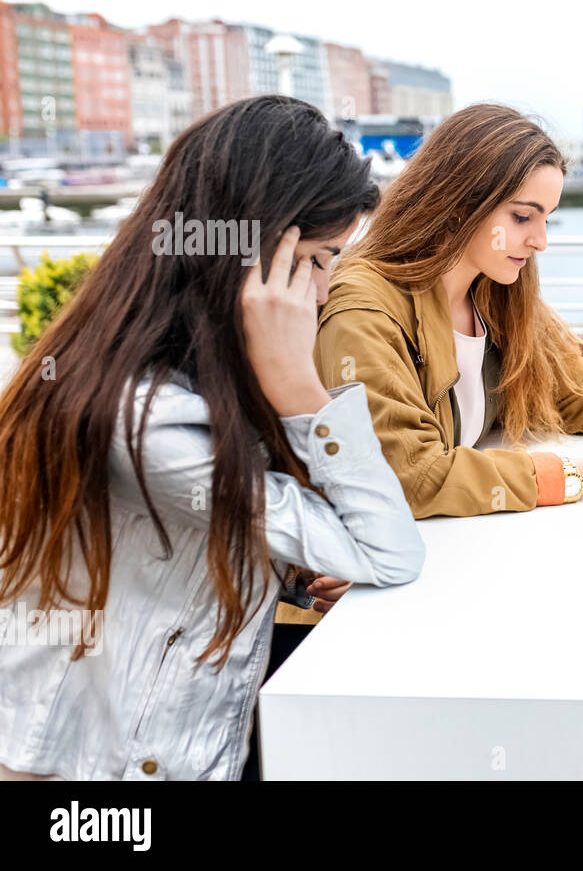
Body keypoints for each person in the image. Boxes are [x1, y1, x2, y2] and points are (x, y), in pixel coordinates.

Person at [0, 96, 425, 781]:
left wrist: (299, 568)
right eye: (318, 260)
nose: (321, 294)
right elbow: (391, 549)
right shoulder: (143, 420)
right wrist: (299, 385)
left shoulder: (203, 376)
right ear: (256, 258)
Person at [314, 104, 583, 518]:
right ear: (458, 203)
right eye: (522, 217)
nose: (540, 241)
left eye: (547, 220)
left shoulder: (495, 293)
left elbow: (574, 386)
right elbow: (409, 475)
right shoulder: (363, 310)